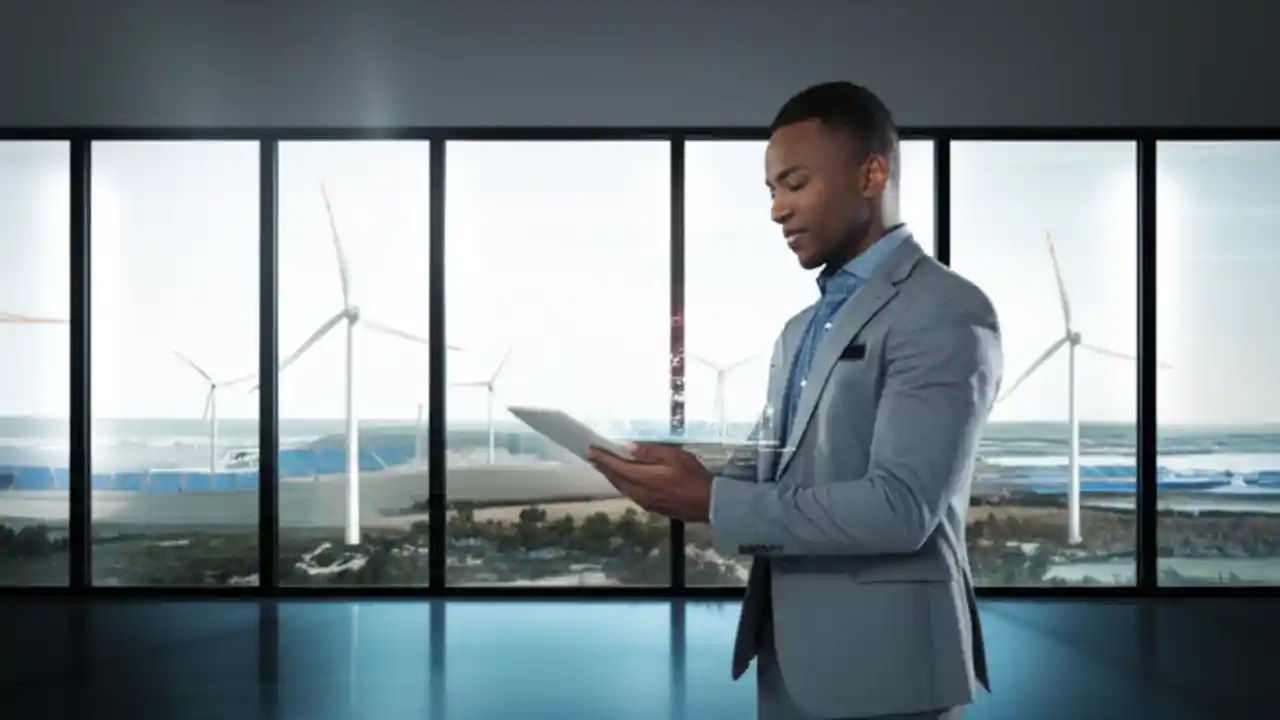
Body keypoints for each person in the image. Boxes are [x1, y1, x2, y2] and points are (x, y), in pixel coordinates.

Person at [587, 81, 1000, 720]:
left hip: (888, 670)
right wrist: (671, 477)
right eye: (772, 191)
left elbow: (900, 508)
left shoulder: (945, 309)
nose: (778, 209)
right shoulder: (799, 331)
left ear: (871, 174)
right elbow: (765, 466)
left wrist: (714, 500)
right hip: (788, 660)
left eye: (796, 184)